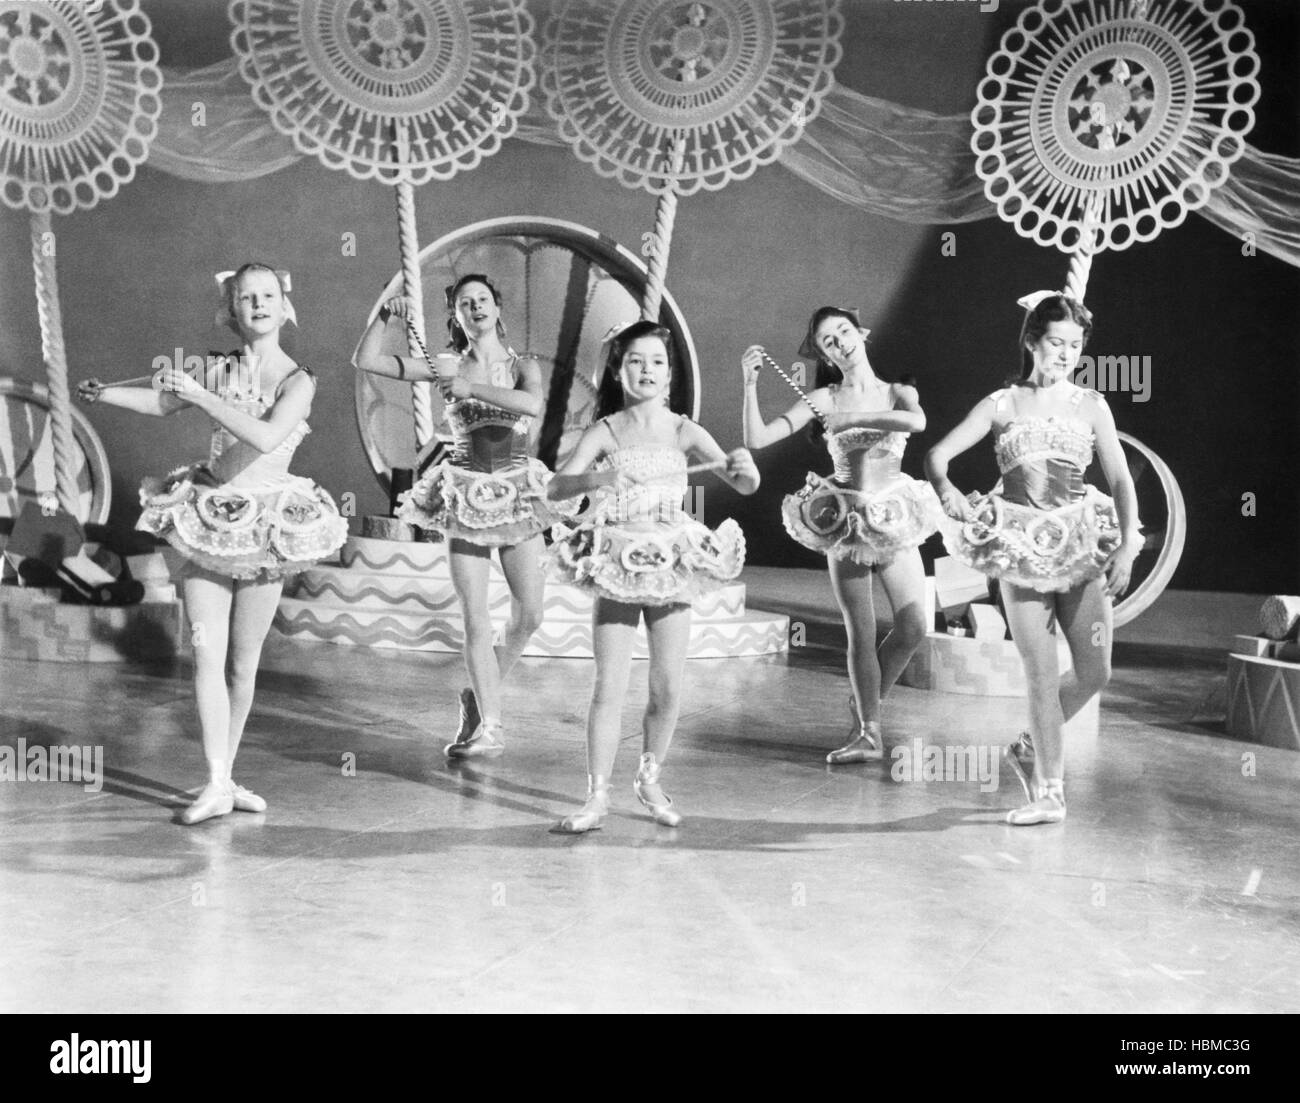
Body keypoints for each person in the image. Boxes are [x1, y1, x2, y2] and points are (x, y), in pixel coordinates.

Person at [77, 263, 348, 824]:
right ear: (232, 309)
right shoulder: (215, 369)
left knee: (244, 665)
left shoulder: (301, 380)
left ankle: (227, 774)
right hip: (207, 515)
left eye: (267, 295)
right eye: (246, 297)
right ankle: (216, 780)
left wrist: (202, 395)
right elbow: (161, 401)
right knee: (205, 650)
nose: (258, 305)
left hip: (267, 524)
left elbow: (268, 435)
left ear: (283, 304)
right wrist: (107, 395)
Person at [924, 291, 1141, 825]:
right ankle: (1049, 791)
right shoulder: (1002, 405)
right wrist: (946, 488)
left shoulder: (1091, 405)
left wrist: (1129, 542)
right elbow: (937, 455)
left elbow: (1118, 478)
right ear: (1031, 342)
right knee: (1041, 676)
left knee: (1095, 671)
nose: (1066, 353)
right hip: (1019, 549)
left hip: (1080, 544)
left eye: (1075, 344)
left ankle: (1029, 744)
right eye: (1055, 342)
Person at [546, 320, 759, 833]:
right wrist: (599, 477)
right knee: (609, 687)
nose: (647, 370)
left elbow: (745, 483)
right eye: (636, 360)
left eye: (657, 362)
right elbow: (556, 489)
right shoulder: (607, 430)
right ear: (619, 370)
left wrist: (743, 465)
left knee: (666, 687)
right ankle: (596, 797)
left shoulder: (684, 429)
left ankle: (649, 778)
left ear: (669, 374)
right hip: (618, 558)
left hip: (669, 561)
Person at [353, 274, 574, 759]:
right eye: (464, 303)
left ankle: (477, 695)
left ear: (497, 307)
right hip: (465, 492)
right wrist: (387, 317)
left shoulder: (523, 365)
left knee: (530, 614)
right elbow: (366, 362)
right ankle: (490, 726)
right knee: (475, 617)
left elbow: (532, 405)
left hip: (516, 488)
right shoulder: (445, 363)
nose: (474, 308)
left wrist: (470, 387)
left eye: (482, 300)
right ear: (455, 315)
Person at [741, 307, 940, 763]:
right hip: (844, 519)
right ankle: (869, 731)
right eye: (829, 341)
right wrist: (749, 384)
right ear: (824, 353)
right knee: (861, 634)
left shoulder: (898, 391)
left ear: (862, 333)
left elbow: (918, 423)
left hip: (894, 515)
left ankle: (866, 700)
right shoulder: (824, 399)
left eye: (844, 332)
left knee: (913, 627)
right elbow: (757, 438)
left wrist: (853, 423)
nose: (840, 343)